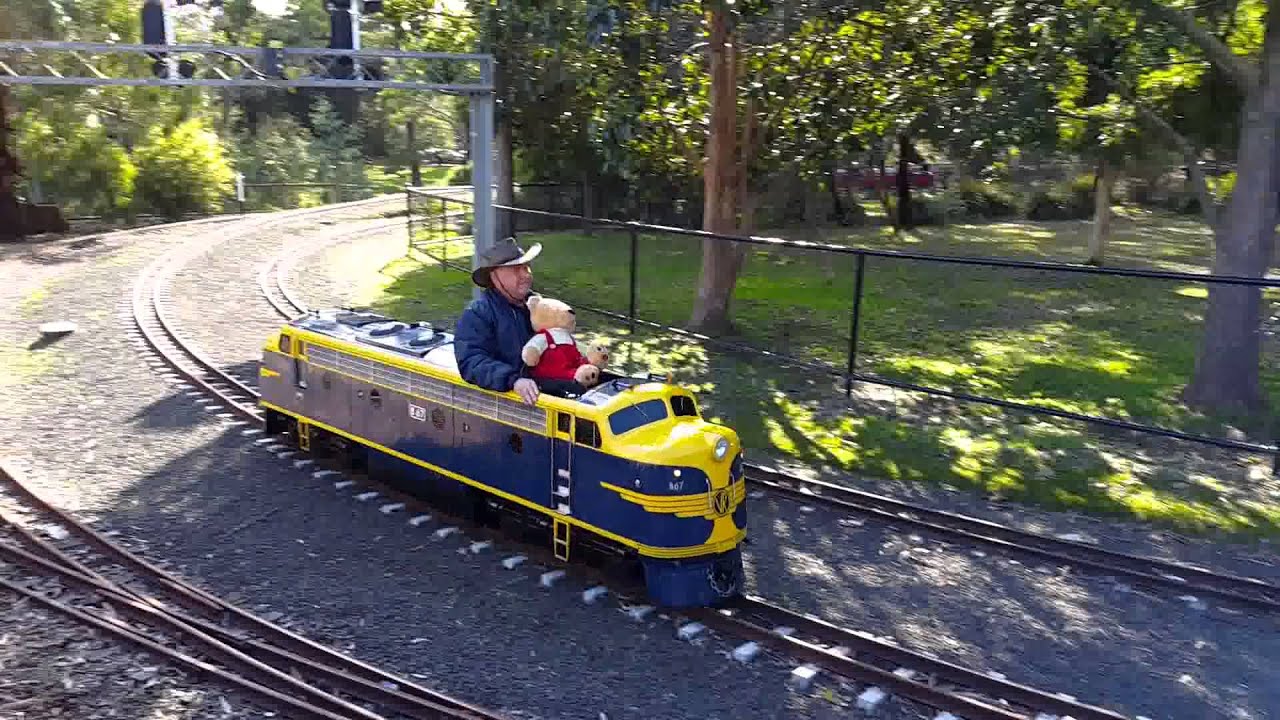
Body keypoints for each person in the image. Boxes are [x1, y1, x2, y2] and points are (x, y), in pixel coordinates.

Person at [454, 237, 543, 404]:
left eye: (526, 267)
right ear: (494, 276)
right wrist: (514, 381)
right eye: (516, 269)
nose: (526, 274)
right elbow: (471, 361)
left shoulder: (537, 305)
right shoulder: (478, 314)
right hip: (505, 407)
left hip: (544, 399)